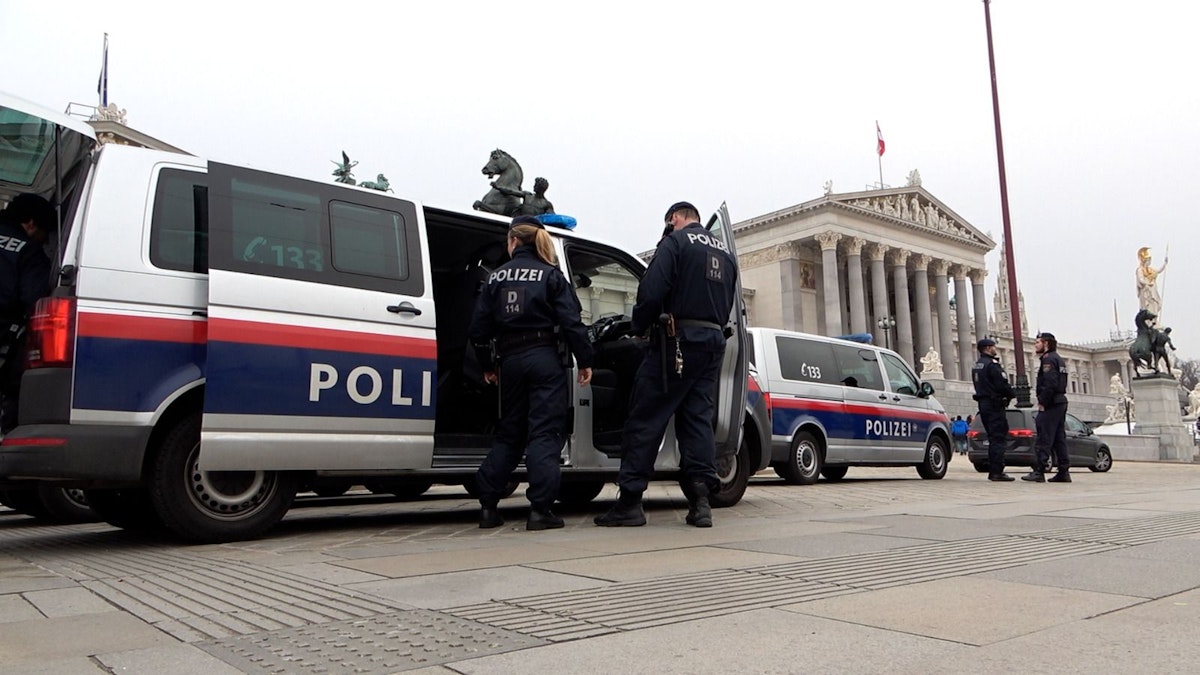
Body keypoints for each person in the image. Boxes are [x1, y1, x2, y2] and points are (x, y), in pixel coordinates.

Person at [595, 201, 738, 528]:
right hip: (713, 343)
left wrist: (638, 326)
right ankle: (701, 502)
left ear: (674, 219)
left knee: (646, 417)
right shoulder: (726, 256)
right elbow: (728, 304)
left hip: (677, 343)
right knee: (697, 420)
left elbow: (651, 290)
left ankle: (630, 502)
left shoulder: (675, 243)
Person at [468, 215, 594, 530]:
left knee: (510, 432)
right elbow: (571, 322)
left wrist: (487, 365)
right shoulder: (551, 276)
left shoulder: (495, 277)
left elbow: (478, 330)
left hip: (509, 362)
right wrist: (586, 359)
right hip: (544, 359)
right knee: (544, 433)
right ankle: (540, 510)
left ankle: (488, 504)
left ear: (512, 241)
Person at [0, 194, 54, 434]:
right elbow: (35, 300)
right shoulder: (29, 251)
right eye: (45, 234)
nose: (44, 241)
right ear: (31, 223)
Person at [1023, 332, 1070, 483]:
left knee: (1044, 437)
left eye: (1038, 342)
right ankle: (1063, 471)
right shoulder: (1059, 359)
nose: (1035, 345)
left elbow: (1050, 383)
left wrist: (1043, 401)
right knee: (1058, 438)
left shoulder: (1048, 359)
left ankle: (1039, 470)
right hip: (1060, 401)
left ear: (1046, 344)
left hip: (1051, 403)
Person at [971, 338, 1016, 481]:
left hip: (983, 404)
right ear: (988, 348)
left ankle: (994, 470)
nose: (995, 349)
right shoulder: (992, 365)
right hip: (994, 404)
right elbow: (1001, 384)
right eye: (993, 347)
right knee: (998, 438)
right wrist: (1011, 394)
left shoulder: (977, 365)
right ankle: (997, 471)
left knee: (992, 437)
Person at [1135, 246, 1167, 316]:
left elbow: (1158, 271)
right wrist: (1148, 283)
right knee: (1147, 306)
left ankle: (1154, 321)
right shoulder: (1140, 270)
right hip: (1145, 291)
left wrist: (1165, 264)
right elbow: (1141, 280)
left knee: (1154, 304)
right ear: (1144, 261)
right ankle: (1147, 321)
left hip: (1152, 290)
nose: (1149, 262)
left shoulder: (1150, 270)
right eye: (1148, 260)